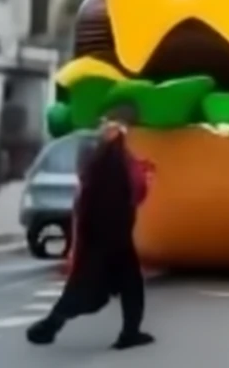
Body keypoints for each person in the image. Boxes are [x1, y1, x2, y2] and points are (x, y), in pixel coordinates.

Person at [26, 120, 154, 350]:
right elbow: (136, 191)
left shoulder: (95, 161)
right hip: (116, 236)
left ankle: (51, 324)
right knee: (126, 285)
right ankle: (128, 333)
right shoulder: (118, 162)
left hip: (96, 235)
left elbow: (86, 198)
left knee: (87, 285)